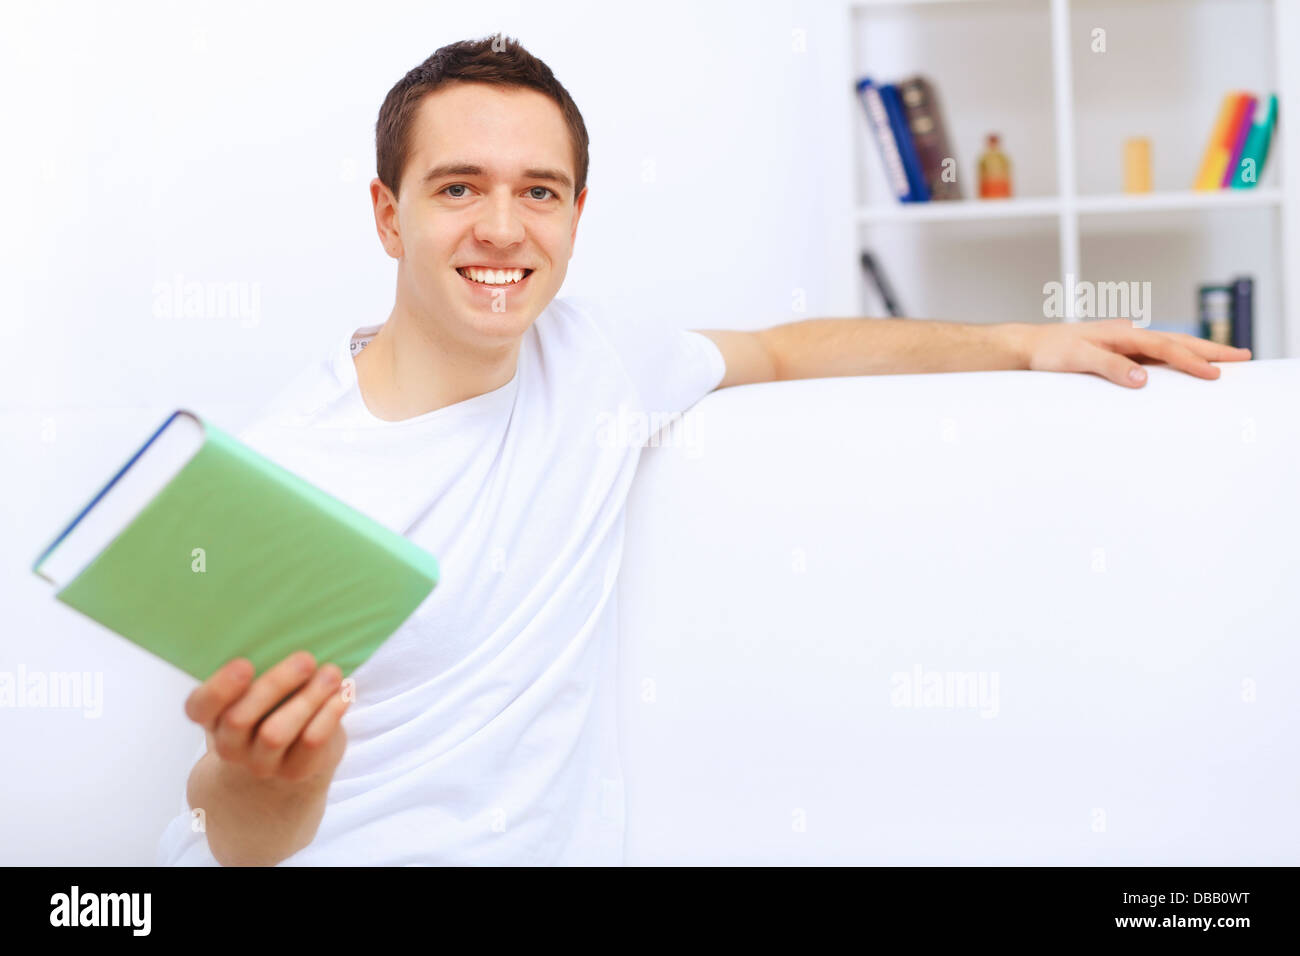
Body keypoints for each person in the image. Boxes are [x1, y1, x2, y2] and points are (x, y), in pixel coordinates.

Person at [158, 35, 1251, 867]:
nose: (502, 228)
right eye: (458, 188)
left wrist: (1023, 340)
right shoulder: (283, 471)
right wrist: (272, 783)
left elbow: (782, 348)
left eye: (537, 191)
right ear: (389, 215)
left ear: (575, 213)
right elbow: (233, 820)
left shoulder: (595, 362)